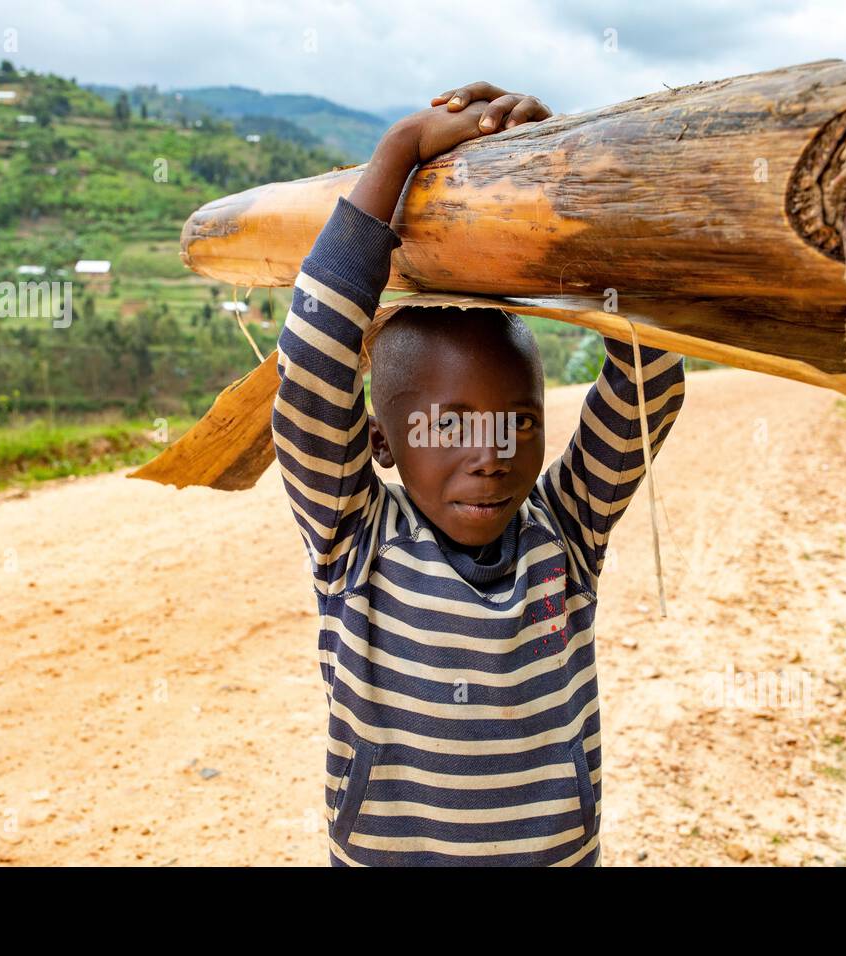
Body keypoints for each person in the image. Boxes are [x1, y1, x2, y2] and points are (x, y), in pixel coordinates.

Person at [271, 81, 686, 866]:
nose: (492, 453)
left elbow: (649, 379)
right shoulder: (354, 541)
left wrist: (572, 164)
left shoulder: (565, 533)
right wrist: (399, 147)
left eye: (520, 421)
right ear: (382, 442)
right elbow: (314, 363)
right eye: (451, 423)